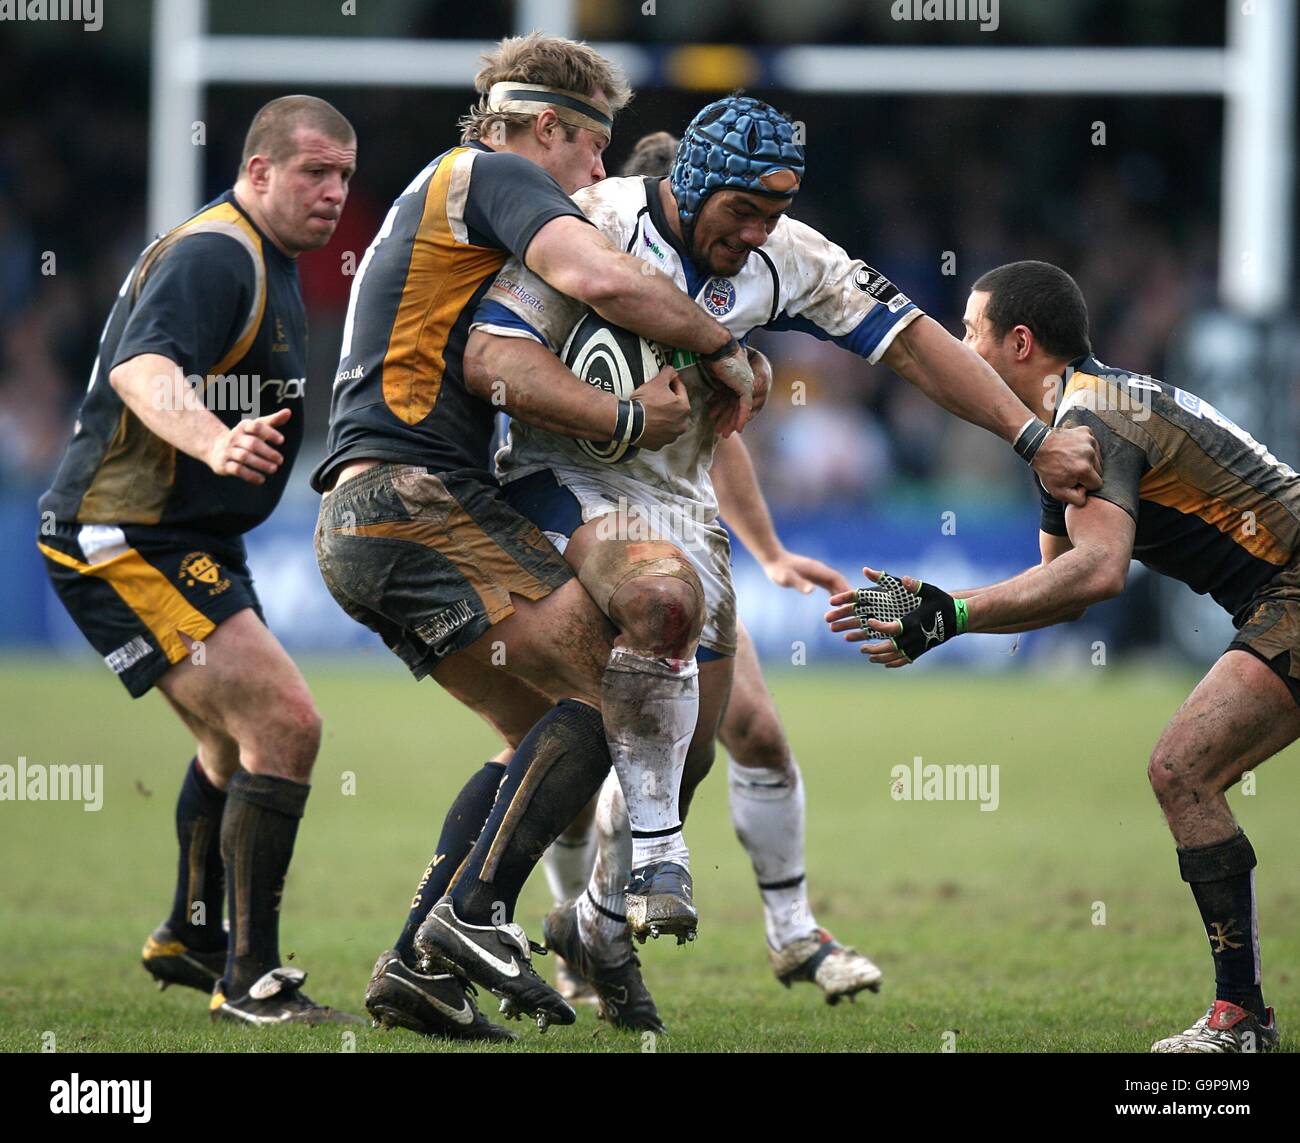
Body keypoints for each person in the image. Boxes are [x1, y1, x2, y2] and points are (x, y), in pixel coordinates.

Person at [465, 100, 1103, 1028]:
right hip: (550, 482)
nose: (759, 233)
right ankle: (531, 899)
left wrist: (1027, 435)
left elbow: (917, 340)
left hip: (679, 506)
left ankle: (595, 920)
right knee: (647, 627)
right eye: (745, 212)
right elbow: (491, 356)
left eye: (776, 213)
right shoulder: (591, 226)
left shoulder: (787, 255)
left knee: (692, 742)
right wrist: (625, 414)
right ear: (691, 184)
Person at [312, 33, 760, 1035]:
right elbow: (596, 276)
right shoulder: (494, 172)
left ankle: (420, 963)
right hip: (417, 502)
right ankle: (472, 913)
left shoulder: (434, 194)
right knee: (624, 692)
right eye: (591, 152)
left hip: (364, 517)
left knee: (535, 741)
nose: (597, 177)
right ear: (548, 128)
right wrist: (721, 344)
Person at [832, 259, 1295, 1053]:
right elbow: (1068, 588)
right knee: (1186, 770)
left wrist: (955, 611)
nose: (956, 347)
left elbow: (1100, 569)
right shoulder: (1059, 438)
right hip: (1279, 596)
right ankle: (1243, 1013)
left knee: (1183, 769)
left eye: (970, 332)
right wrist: (949, 616)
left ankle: (1242, 1016)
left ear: (1019, 342)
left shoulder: (1092, 416)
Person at [532, 131, 885, 1029]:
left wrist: (765, 552)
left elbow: (715, 445)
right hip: (576, 531)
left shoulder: (718, 310)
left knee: (750, 728)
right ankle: (574, 925)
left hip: (678, 550)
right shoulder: (597, 276)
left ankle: (793, 931)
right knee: (562, 749)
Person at [37, 96, 360, 1025]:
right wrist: (215, 439)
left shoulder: (263, 257)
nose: (334, 191)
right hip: (121, 532)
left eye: (343, 174)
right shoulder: (217, 252)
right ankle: (250, 979)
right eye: (314, 172)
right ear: (257, 172)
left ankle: (191, 933)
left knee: (233, 741)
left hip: (187, 535)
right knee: (288, 724)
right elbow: (145, 371)